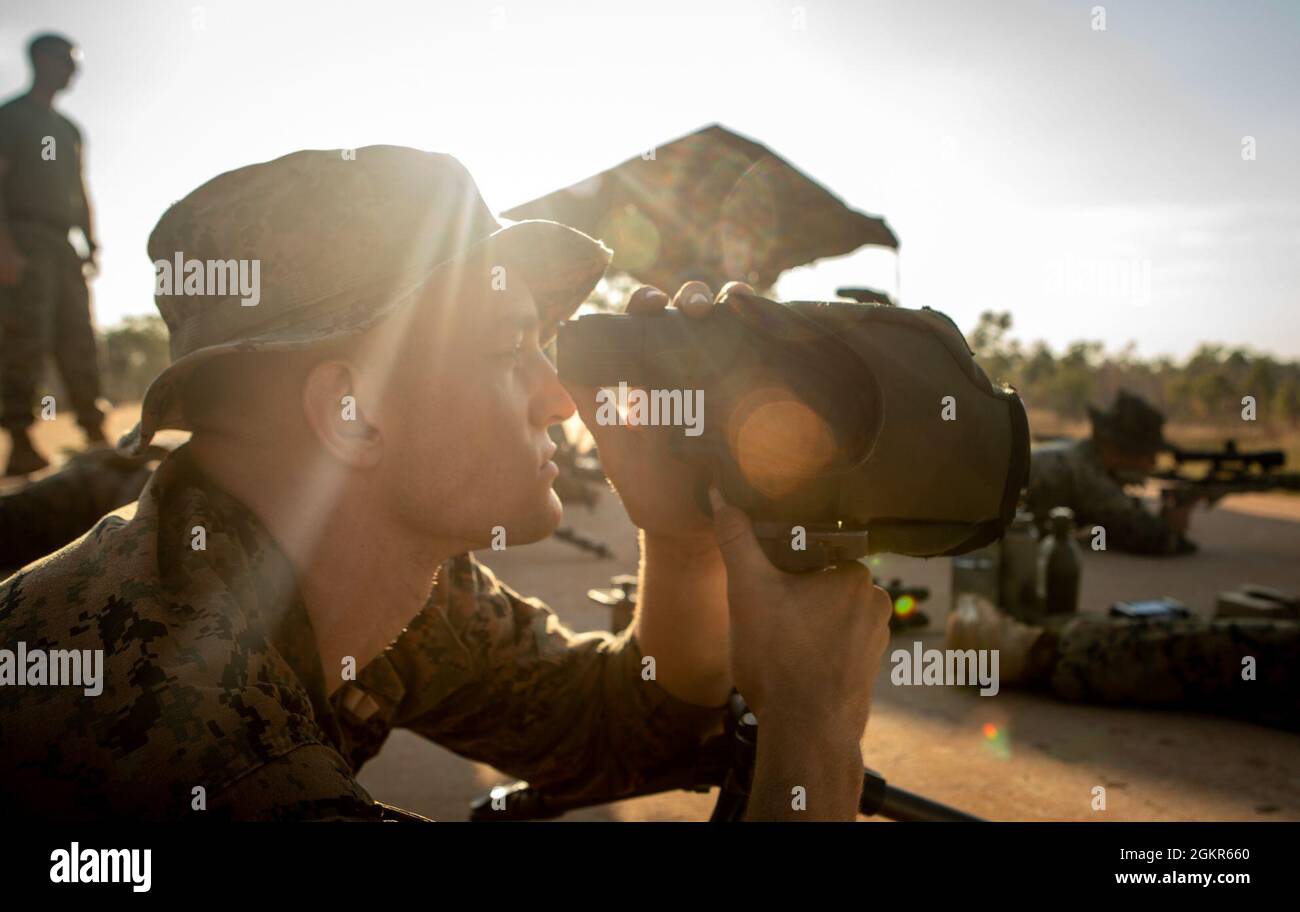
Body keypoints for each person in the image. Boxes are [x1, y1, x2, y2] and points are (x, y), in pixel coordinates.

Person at [0, 146, 893, 822]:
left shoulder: (359, 566)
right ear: (350, 413)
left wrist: (684, 539)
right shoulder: (193, 742)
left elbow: (615, 729)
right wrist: (814, 734)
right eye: (508, 347)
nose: (557, 396)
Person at [0, 33, 107, 477]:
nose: (73, 71)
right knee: (25, 338)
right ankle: (21, 440)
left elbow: (79, 188)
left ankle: (95, 431)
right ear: (42, 59)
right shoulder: (11, 117)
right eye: (67, 61)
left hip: (64, 245)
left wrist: (90, 241)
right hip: (24, 239)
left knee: (78, 335)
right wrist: (5, 248)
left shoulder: (68, 130)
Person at [1025, 389, 1196, 555]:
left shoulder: (1080, 457)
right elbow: (1142, 535)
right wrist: (1172, 529)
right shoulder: (1087, 474)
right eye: (1146, 454)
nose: (1152, 463)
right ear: (1115, 448)